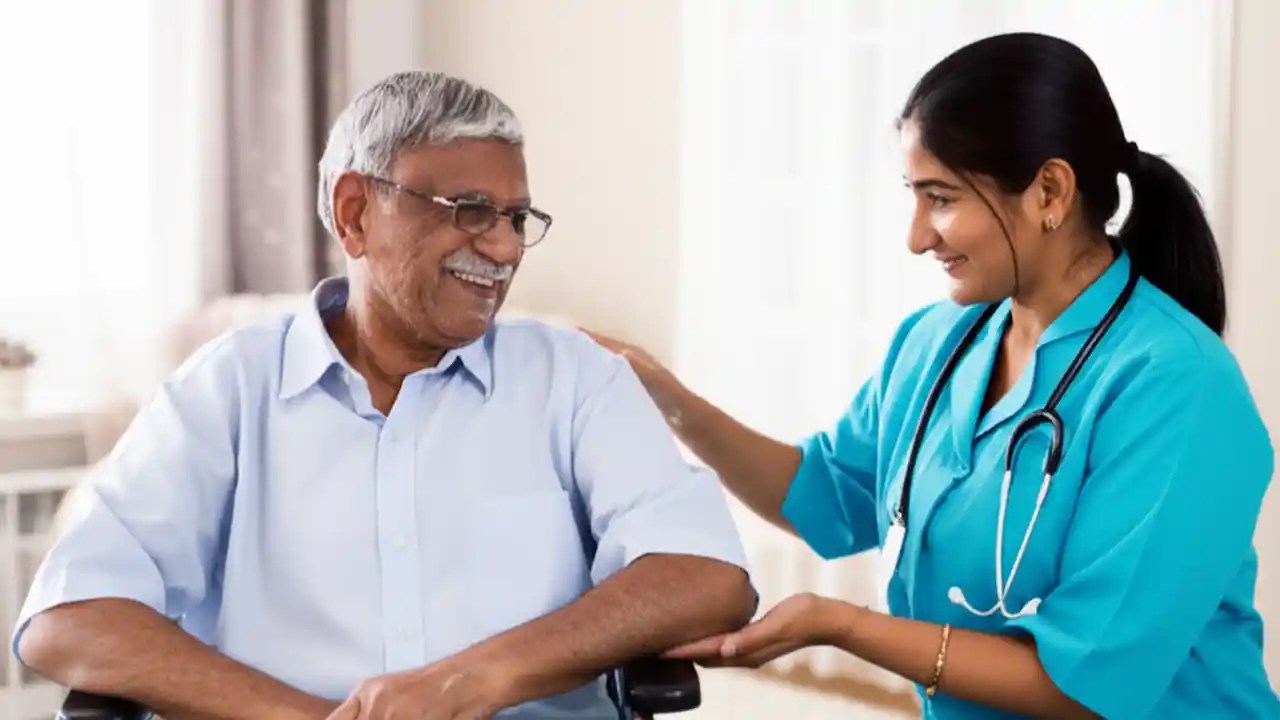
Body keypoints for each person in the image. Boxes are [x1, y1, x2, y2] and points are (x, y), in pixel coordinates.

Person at [12, 71, 755, 720]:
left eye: (516, 217)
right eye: (467, 209)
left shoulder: (576, 378)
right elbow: (69, 616)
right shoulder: (227, 388)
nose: (501, 247)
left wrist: (472, 681)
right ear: (355, 213)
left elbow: (708, 578)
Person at [590, 33, 1279, 719]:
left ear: (1050, 191)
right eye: (913, 197)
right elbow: (825, 497)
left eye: (941, 198)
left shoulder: (1179, 388)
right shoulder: (939, 342)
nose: (917, 236)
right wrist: (666, 398)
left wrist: (842, 626)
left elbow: (1084, 686)